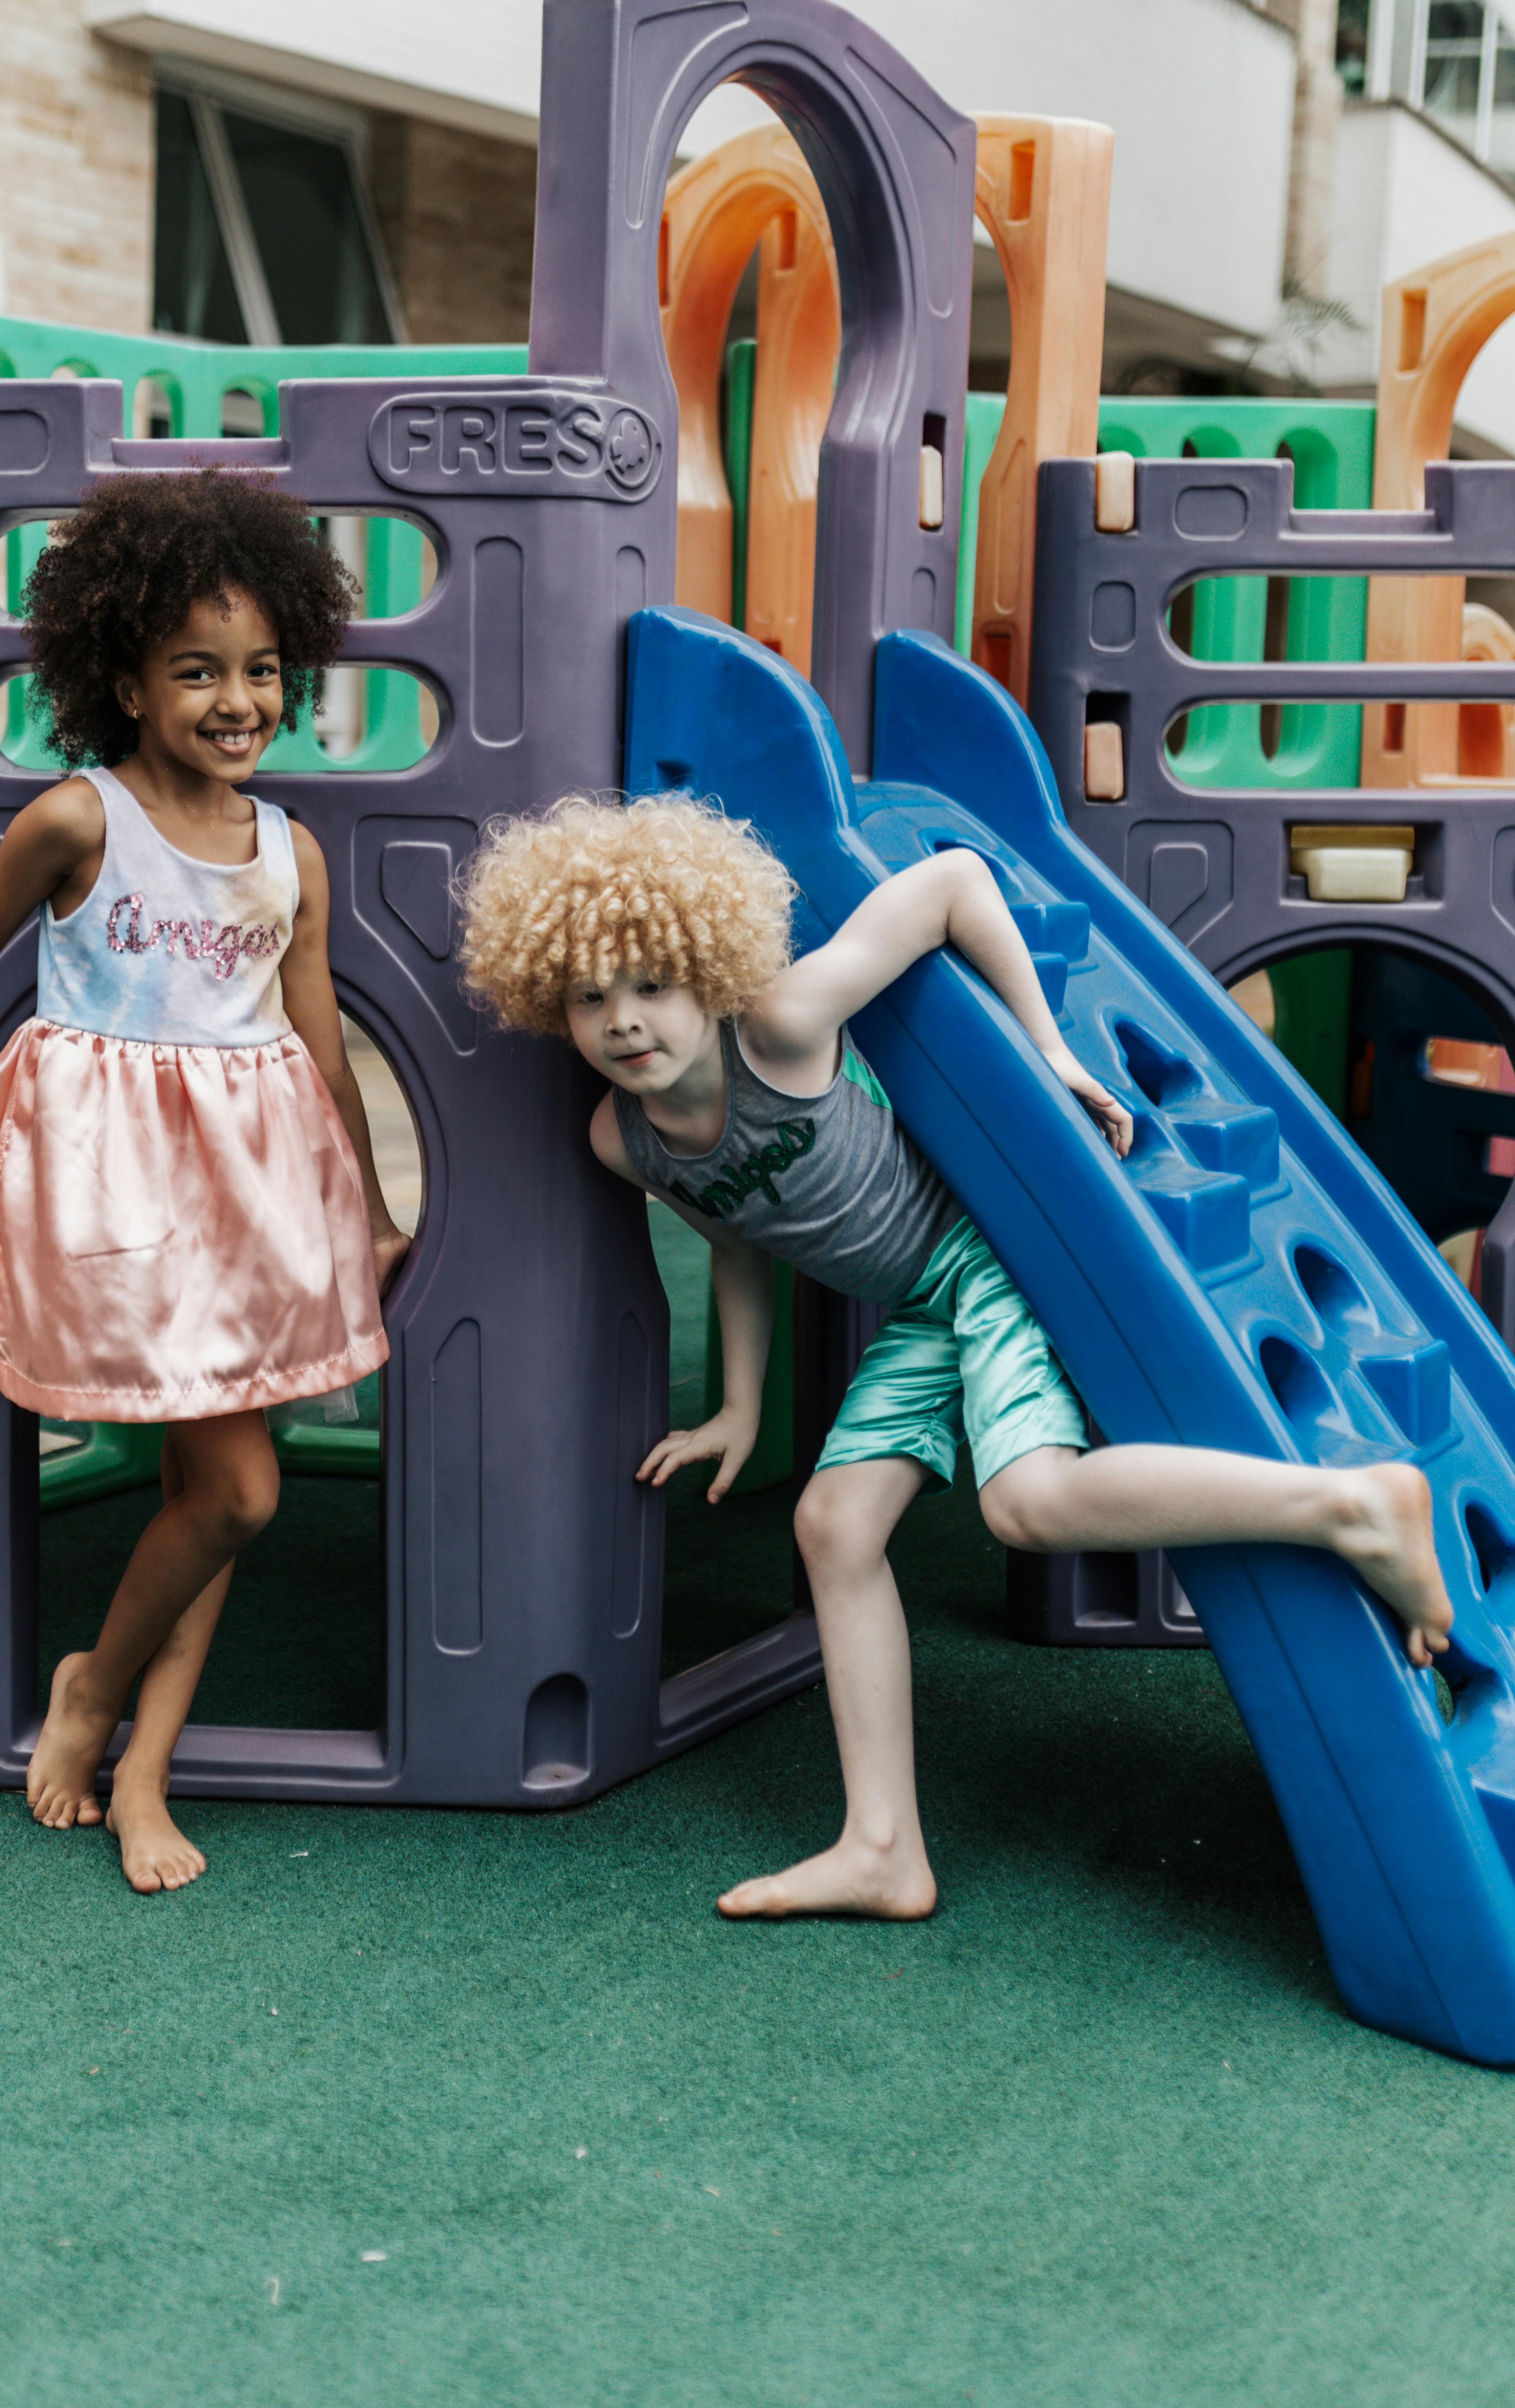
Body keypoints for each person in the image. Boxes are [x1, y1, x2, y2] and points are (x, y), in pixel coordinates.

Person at [457, 792, 1452, 1924]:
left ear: (710, 968)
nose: (625, 1021)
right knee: (833, 1527)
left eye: (651, 985)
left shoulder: (780, 1029)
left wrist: (1050, 1053)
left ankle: (1350, 1505)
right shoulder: (621, 1136)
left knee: (1029, 1506)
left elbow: (955, 886)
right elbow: (736, 1240)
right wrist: (740, 1403)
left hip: (991, 1260)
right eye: (590, 998)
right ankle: (883, 1848)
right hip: (923, 1310)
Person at [0, 471, 410, 1895]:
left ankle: (135, 1753)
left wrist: (370, 1203)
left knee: (227, 1487)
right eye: (196, 670)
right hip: (122, 1186)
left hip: (253, 1190)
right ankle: (95, 1699)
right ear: (124, 682)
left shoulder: (291, 852)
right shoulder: (80, 820)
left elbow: (319, 1041)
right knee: (234, 1493)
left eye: (261, 669)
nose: (236, 699)